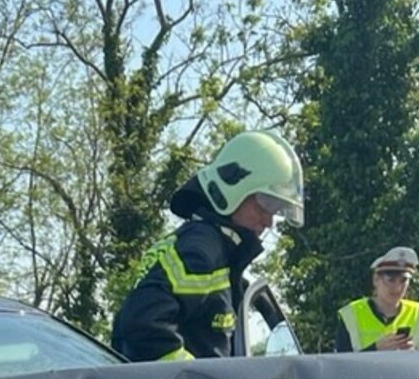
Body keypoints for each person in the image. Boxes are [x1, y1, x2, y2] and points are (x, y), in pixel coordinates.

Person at [111, 129, 304, 363]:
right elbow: (142, 323)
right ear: (233, 187)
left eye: (277, 209)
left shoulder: (216, 256)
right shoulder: (201, 253)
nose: (269, 220)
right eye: (266, 204)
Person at [335, 248, 419, 352]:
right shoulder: (351, 314)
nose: (397, 288)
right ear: (376, 280)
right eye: (391, 280)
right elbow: (341, 364)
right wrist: (375, 349)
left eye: (403, 281)